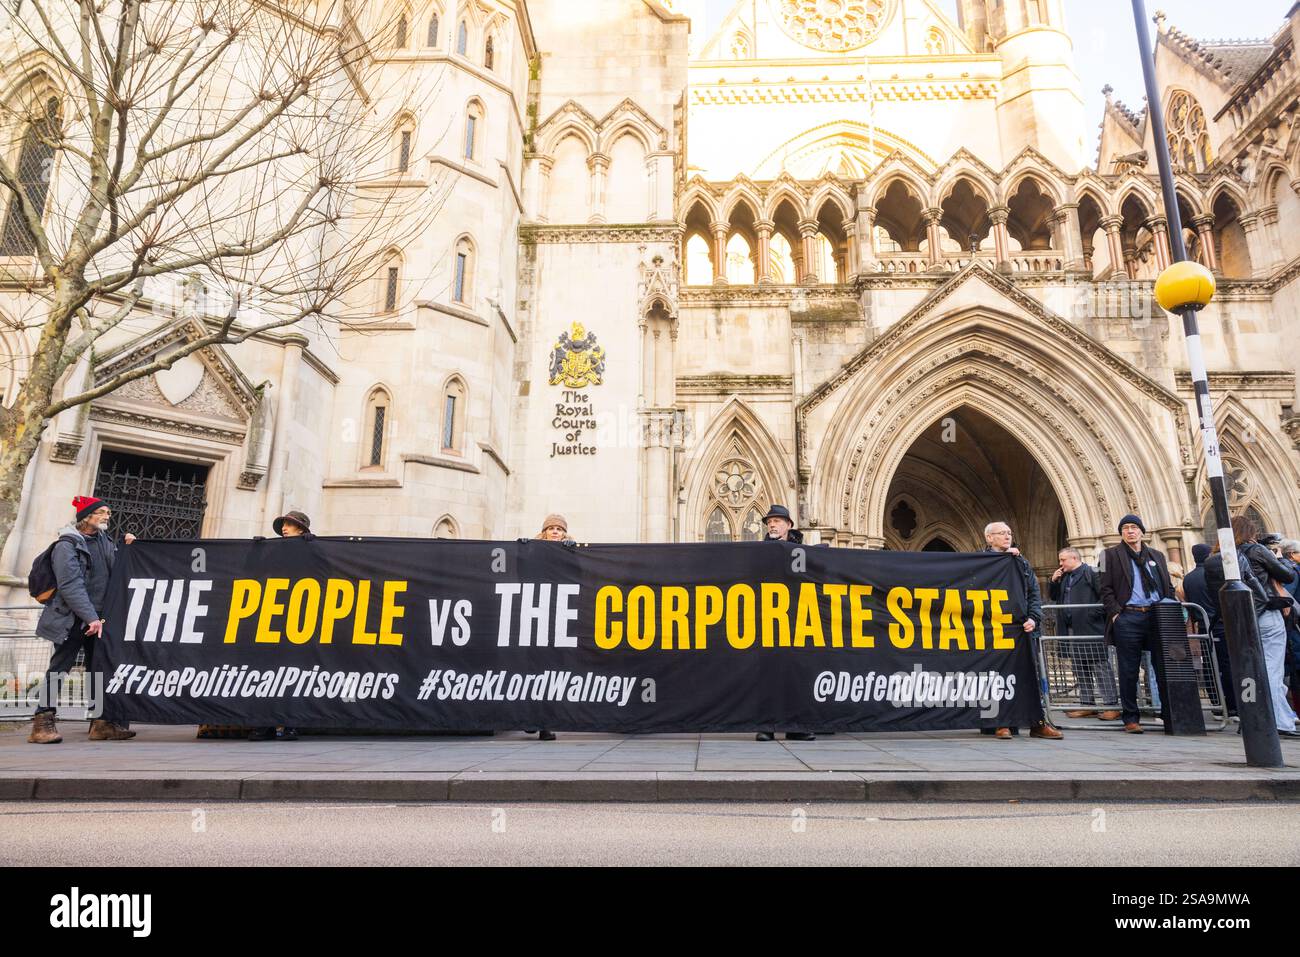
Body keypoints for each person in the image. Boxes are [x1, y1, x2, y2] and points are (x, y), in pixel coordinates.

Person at [28, 496, 136, 744]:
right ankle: (42, 723)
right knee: (59, 668)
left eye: (108, 512)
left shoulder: (104, 541)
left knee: (99, 670)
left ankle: (101, 723)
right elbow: (70, 586)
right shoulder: (67, 545)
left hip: (98, 620)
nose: (107, 516)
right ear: (86, 516)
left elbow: (116, 566)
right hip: (71, 619)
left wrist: (128, 547)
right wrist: (90, 618)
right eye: (101, 512)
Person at [1205, 516, 1297, 737]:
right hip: (1266, 616)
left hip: (1239, 621)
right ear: (1250, 532)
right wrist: (1279, 557)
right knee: (1271, 671)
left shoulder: (1217, 558)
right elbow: (1288, 574)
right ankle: (1281, 722)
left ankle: (1254, 719)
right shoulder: (1256, 551)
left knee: (1249, 672)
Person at [980, 522, 1062, 740]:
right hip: (994, 630)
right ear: (989, 538)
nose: (1007, 536)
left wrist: (1034, 618)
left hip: (1022, 630)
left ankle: (1037, 722)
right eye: (1002, 533)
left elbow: (1034, 593)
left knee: (1029, 676)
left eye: (1009, 533)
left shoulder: (1020, 562)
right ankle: (1001, 723)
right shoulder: (980, 563)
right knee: (996, 676)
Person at [1099, 514, 1176, 734]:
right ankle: (1131, 718)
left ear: (1142, 531)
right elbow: (1104, 588)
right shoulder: (1107, 555)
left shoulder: (1158, 556)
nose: (1130, 531)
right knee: (1128, 670)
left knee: (1163, 668)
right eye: (1125, 528)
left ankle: (1170, 714)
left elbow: (1167, 586)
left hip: (1156, 616)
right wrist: (1116, 614)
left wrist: (1168, 606)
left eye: (1134, 527)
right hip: (1128, 617)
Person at [248, 511, 316, 742]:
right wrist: (254, 551)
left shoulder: (313, 549)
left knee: (292, 673)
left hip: (297, 620)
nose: (285, 528)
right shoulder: (272, 550)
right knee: (265, 672)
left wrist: (313, 548)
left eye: (290, 524)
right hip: (271, 617)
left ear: (302, 530)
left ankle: (290, 724)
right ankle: (263, 724)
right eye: (285, 524)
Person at [755, 504, 815, 743]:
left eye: (777, 520)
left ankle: (796, 726)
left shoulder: (805, 551)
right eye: (769, 521)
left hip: (797, 621)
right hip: (769, 620)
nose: (772, 524)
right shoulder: (760, 552)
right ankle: (766, 727)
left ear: (789, 525)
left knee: (797, 675)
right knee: (767, 675)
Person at [1049, 547, 1119, 720]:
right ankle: (1087, 704)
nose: (1060, 564)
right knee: (1080, 667)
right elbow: (1053, 597)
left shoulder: (1091, 572)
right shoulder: (1064, 577)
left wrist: (1091, 614)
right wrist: (1054, 581)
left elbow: (1105, 597)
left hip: (1091, 628)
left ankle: (1112, 705)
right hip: (1072, 629)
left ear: (1074, 558)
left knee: (1100, 666)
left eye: (1063, 560)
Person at [531, 514, 574, 741]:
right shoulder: (532, 552)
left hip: (558, 620)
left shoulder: (571, 551)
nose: (556, 531)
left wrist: (573, 553)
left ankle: (544, 723)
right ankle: (532, 718)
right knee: (533, 671)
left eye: (560, 528)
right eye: (552, 528)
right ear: (545, 531)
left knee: (552, 672)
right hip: (536, 618)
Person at [1182, 542, 1234, 717]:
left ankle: (1216, 703)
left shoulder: (1188, 578)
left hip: (1203, 627)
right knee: (1227, 665)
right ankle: (1232, 705)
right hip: (1221, 624)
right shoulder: (1213, 573)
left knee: (1209, 666)